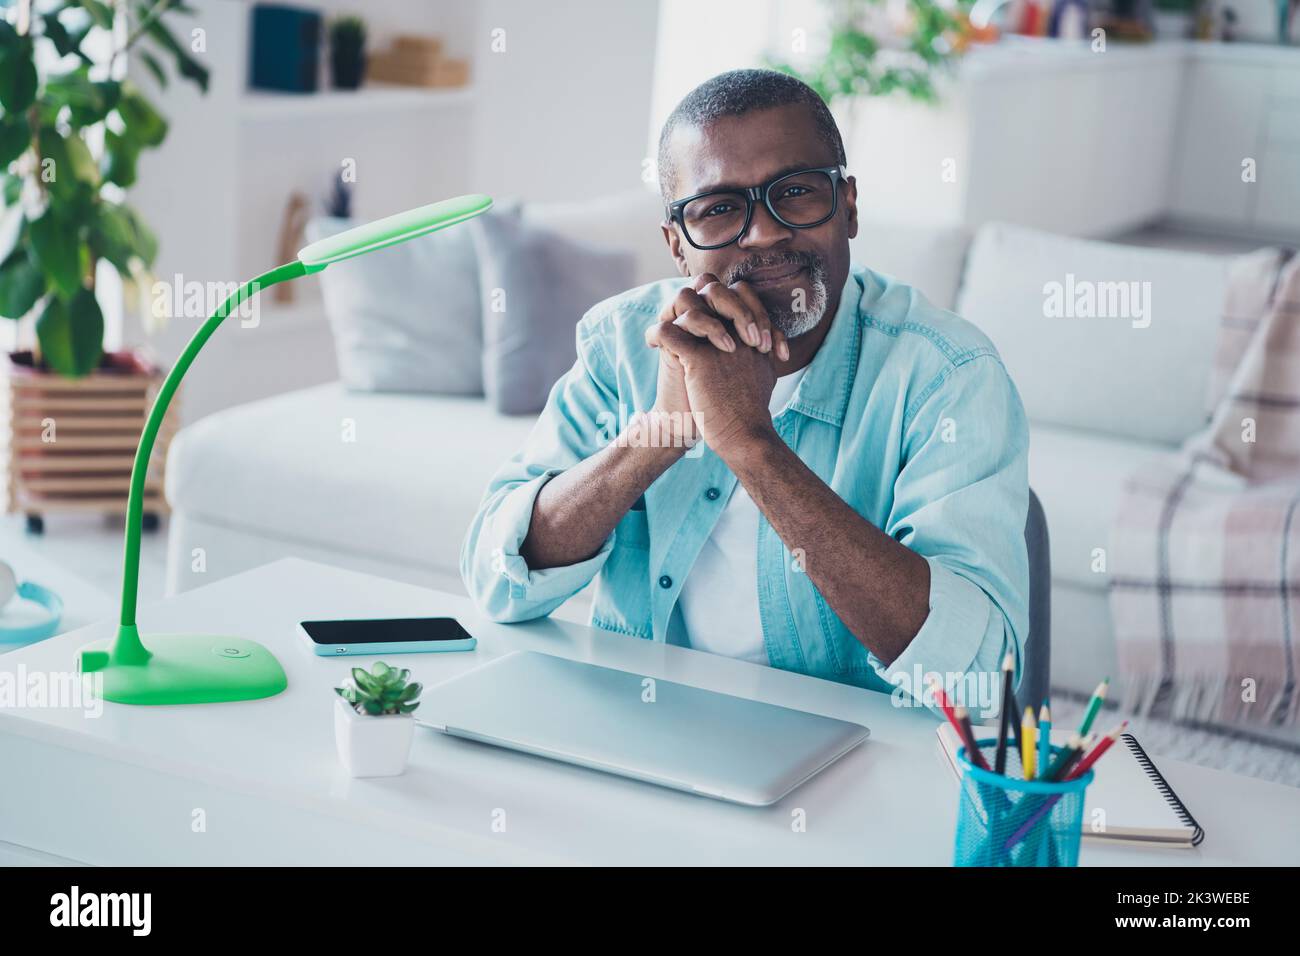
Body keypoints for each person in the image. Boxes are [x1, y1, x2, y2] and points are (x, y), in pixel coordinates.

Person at [462, 68, 1029, 706]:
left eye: (796, 192)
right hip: (649, 724)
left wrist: (749, 442)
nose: (763, 233)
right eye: (721, 209)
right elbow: (498, 582)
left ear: (848, 206)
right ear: (677, 245)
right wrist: (659, 436)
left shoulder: (948, 376)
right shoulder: (621, 342)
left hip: (860, 757)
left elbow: (981, 675)